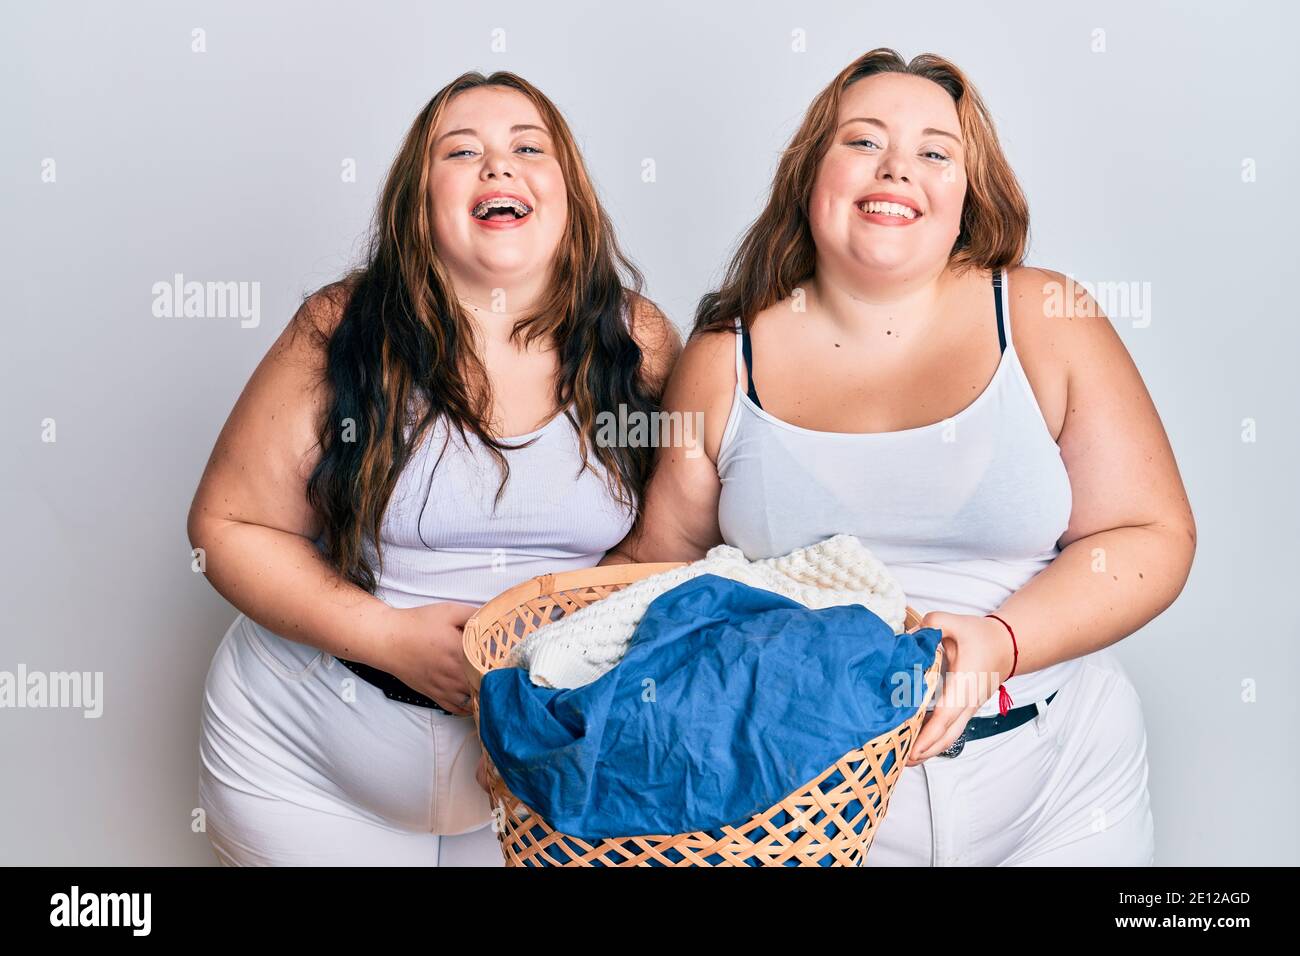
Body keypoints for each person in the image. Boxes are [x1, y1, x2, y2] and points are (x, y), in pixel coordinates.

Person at [600, 48, 1195, 865]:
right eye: (863, 142)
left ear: (965, 198)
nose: (897, 170)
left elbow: (1150, 535)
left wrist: (1000, 643)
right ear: (811, 176)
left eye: (934, 152)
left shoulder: (1046, 319)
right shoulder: (723, 361)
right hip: (805, 805)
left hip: (1061, 780)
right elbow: (655, 572)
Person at [190, 70, 680, 866]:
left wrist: (543, 675)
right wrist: (390, 638)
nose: (498, 166)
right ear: (419, 203)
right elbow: (224, 527)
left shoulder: (640, 340)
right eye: (462, 152)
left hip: (543, 777)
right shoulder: (341, 325)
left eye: (528, 147)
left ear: (570, 195)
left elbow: (674, 545)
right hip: (302, 765)